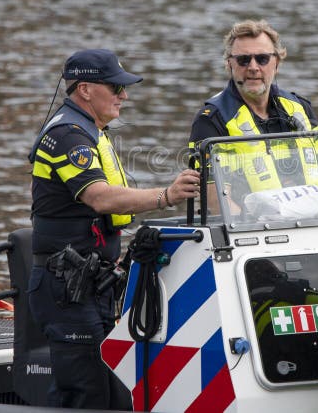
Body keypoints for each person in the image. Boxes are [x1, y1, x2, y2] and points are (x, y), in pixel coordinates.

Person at [27, 48, 200, 409]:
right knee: (84, 391)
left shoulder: (91, 130)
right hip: (66, 288)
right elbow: (100, 198)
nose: (124, 96)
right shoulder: (68, 136)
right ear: (86, 89)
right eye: (116, 88)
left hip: (91, 280)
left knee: (114, 390)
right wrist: (166, 196)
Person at [188, 19, 318, 214]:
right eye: (243, 59)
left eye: (262, 59)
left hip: (313, 224)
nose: (253, 67)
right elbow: (217, 201)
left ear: (276, 62)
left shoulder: (301, 108)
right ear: (230, 64)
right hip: (251, 233)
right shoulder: (210, 120)